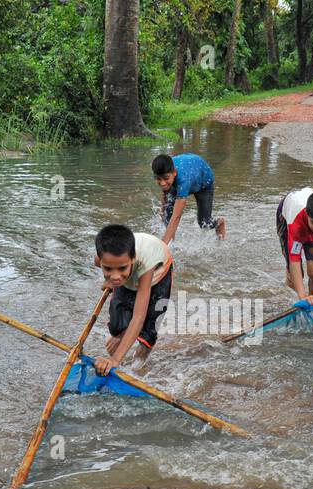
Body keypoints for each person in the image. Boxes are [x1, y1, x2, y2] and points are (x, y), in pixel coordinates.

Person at [92, 224, 173, 375]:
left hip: (158, 274)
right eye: (108, 269)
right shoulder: (100, 259)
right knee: (117, 326)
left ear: (133, 259)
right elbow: (113, 269)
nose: (115, 275)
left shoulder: (144, 265)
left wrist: (115, 360)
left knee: (148, 331)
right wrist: (109, 280)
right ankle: (123, 335)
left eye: (121, 268)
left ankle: (138, 370)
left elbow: (139, 317)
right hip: (131, 273)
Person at [152, 153, 226, 243]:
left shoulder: (183, 181)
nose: (162, 183)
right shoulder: (165, 168)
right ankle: (172, 245)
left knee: (204, 223)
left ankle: (220, 222)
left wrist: (162, 245)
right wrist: (161, 217)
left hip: (204, 182)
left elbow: (176, 216)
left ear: (174, 172)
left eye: (166, 178)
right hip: (189, 170)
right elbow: (165, 195)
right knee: (167, 217)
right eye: (158, 179)